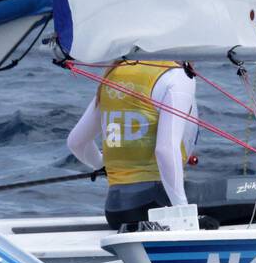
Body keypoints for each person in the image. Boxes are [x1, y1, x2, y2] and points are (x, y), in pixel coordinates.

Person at [67, 59, 198, 230]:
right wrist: (184, 215)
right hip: (155, 207)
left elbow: (76, 142)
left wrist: (103, 165)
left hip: (116, 210)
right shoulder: (178, 75)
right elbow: (165, 150)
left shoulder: (113, 73)